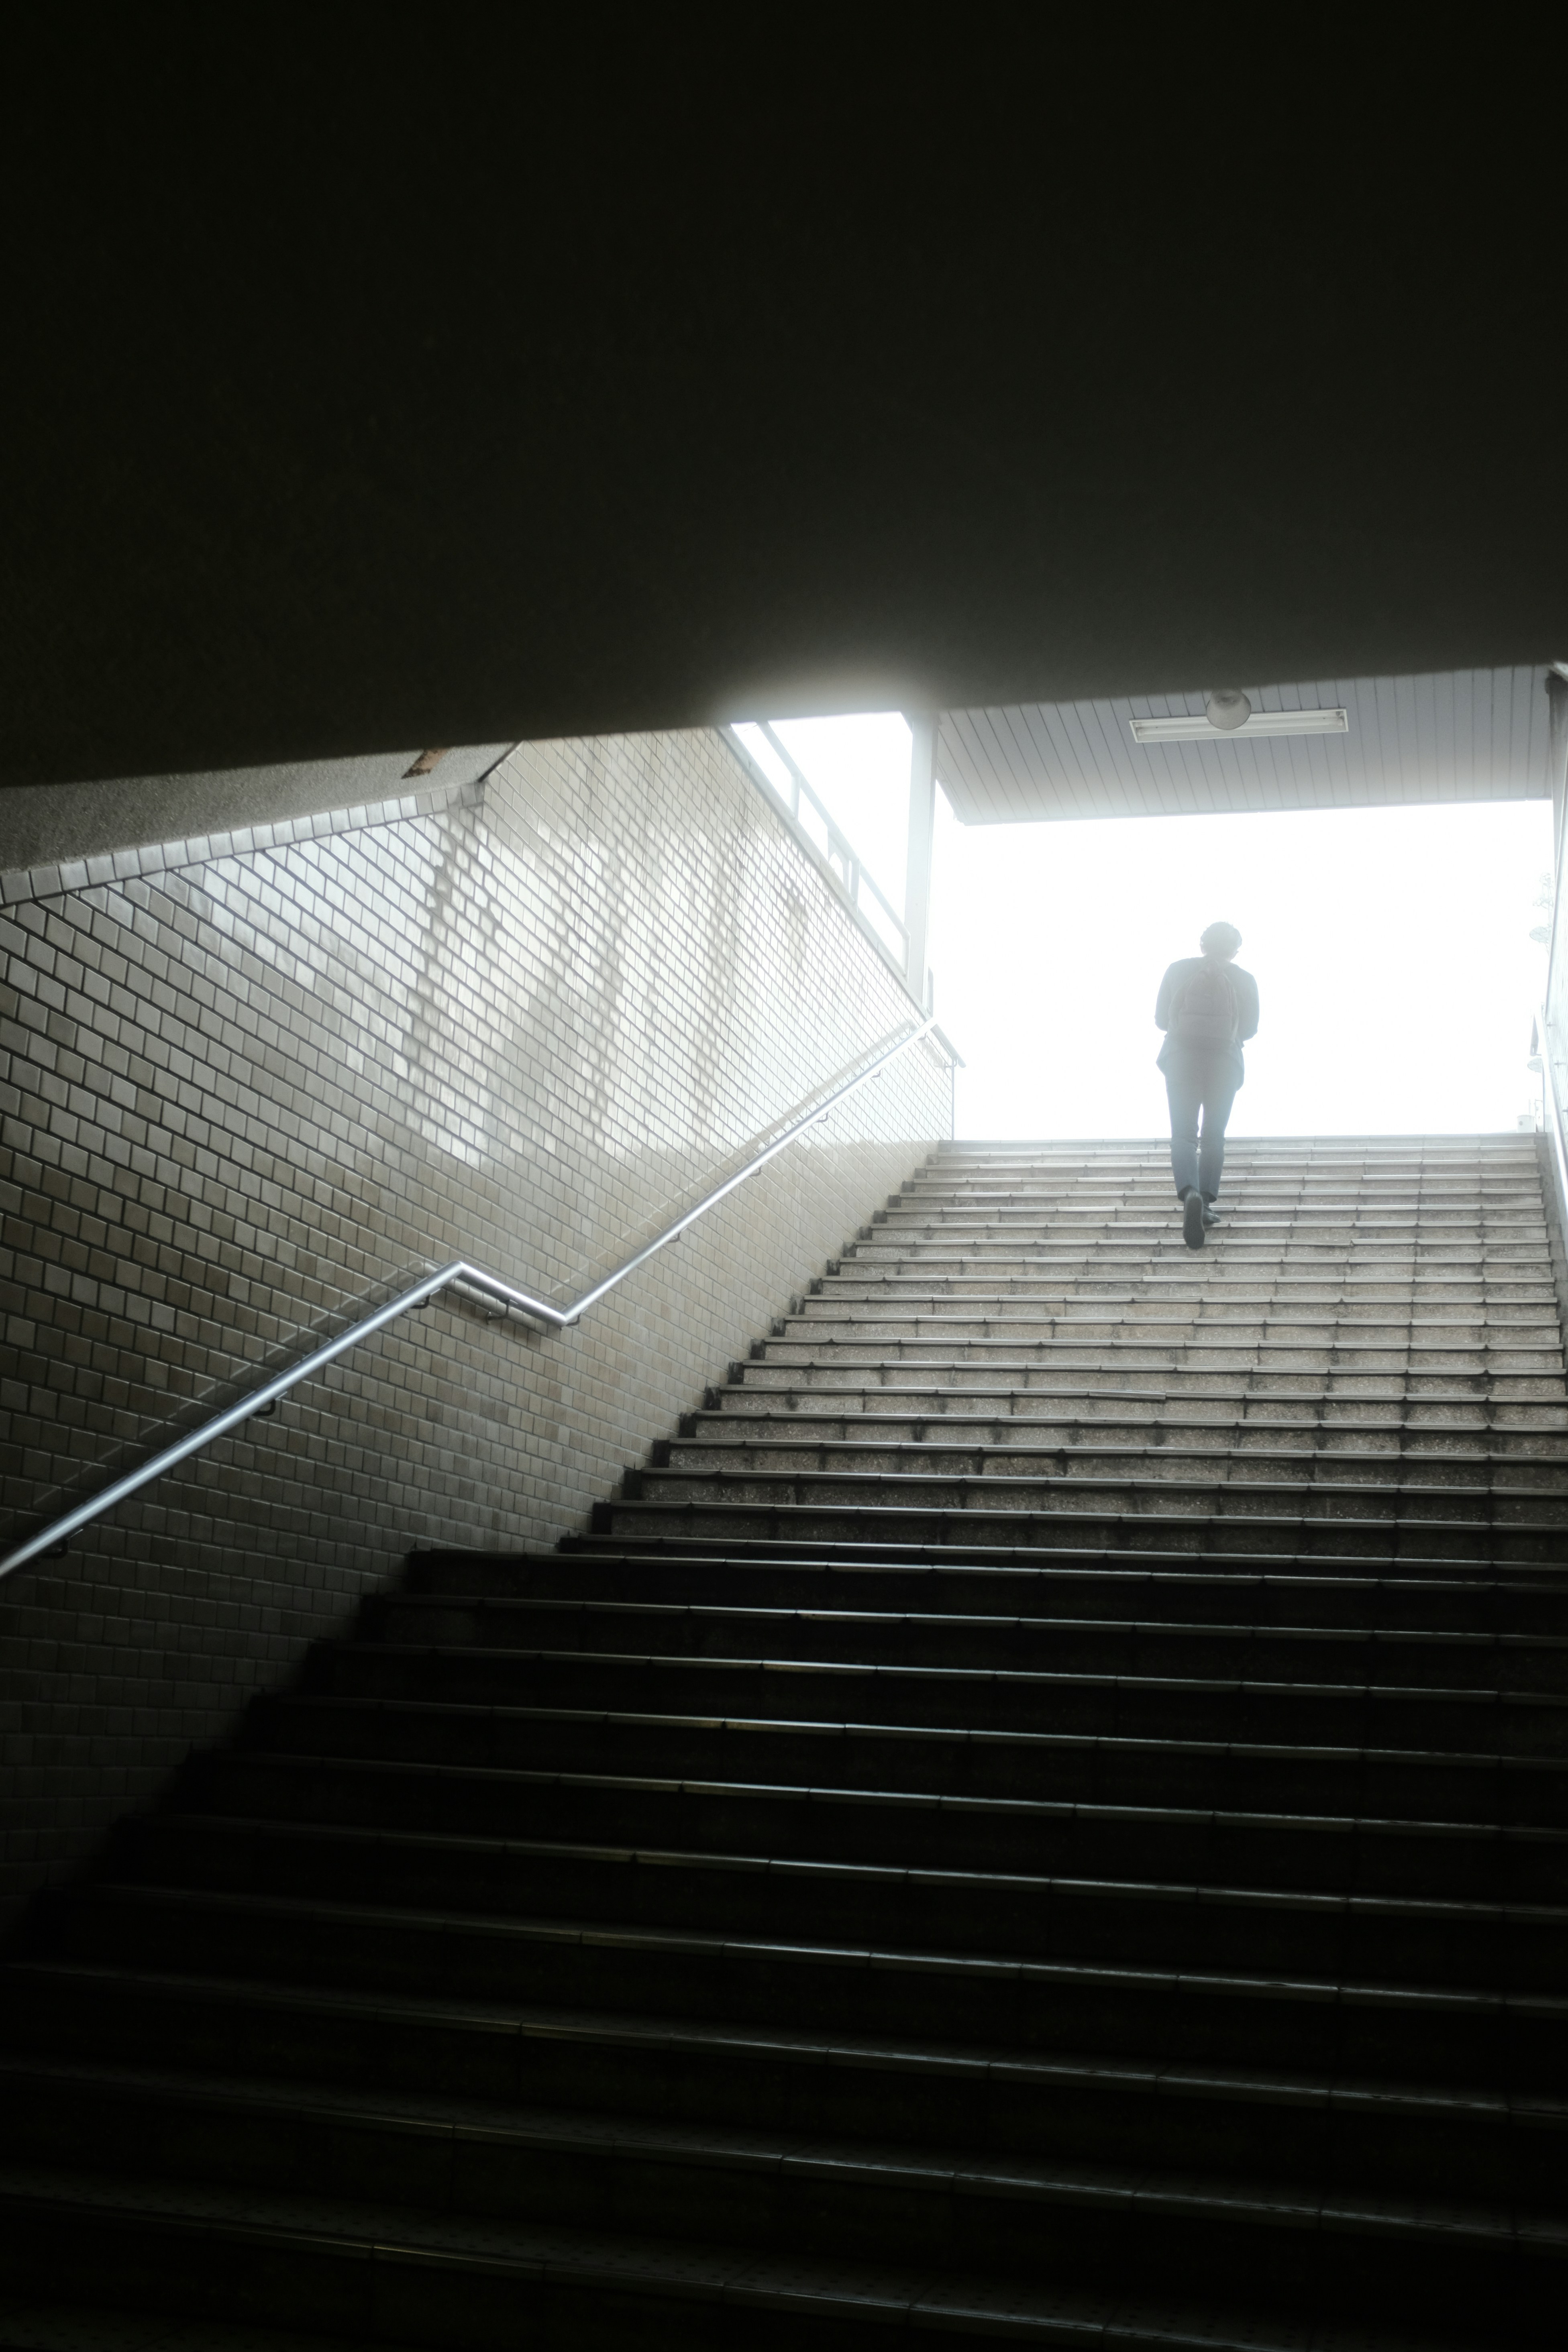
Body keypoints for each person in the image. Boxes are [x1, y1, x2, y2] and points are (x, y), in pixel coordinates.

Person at [1154, 922, 1258, 1249]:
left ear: (1202, 945)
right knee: (1213, 1135)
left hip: (1181, 1057)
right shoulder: (1244, 979)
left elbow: (1160, 1019)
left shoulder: (1177, 970)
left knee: (1184, 1134)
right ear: (1235, 950)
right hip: (1224, 1061)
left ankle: (1191, 1193)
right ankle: (1207, 1204)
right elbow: (1251, 1029)